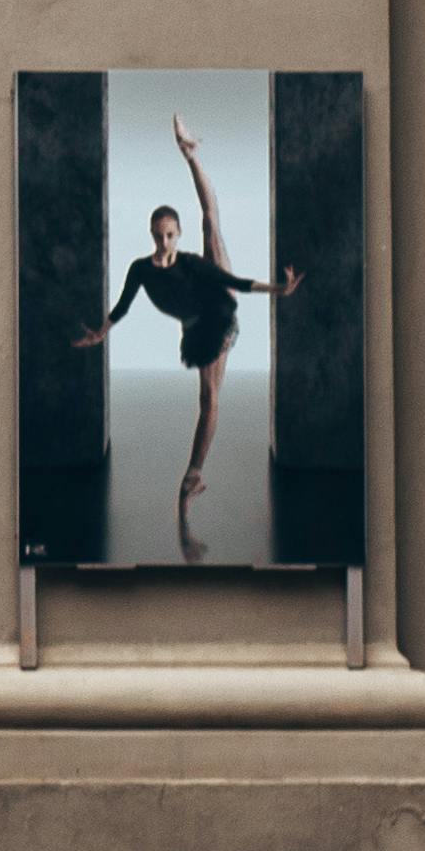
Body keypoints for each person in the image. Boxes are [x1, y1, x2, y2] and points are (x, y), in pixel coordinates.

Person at [71, 121, 292, 541]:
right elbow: (122, 305)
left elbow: (239, 283)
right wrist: (101, 332)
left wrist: (277, 288)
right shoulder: (141, 269)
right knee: (208, 401)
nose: (164, 243)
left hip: (218, 312)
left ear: (177, 234)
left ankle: (191, 155)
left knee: (213, 224)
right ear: (152, 236)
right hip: (197, 330)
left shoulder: (190, 260)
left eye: (170, 235)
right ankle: (193, 479)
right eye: (158, 237)